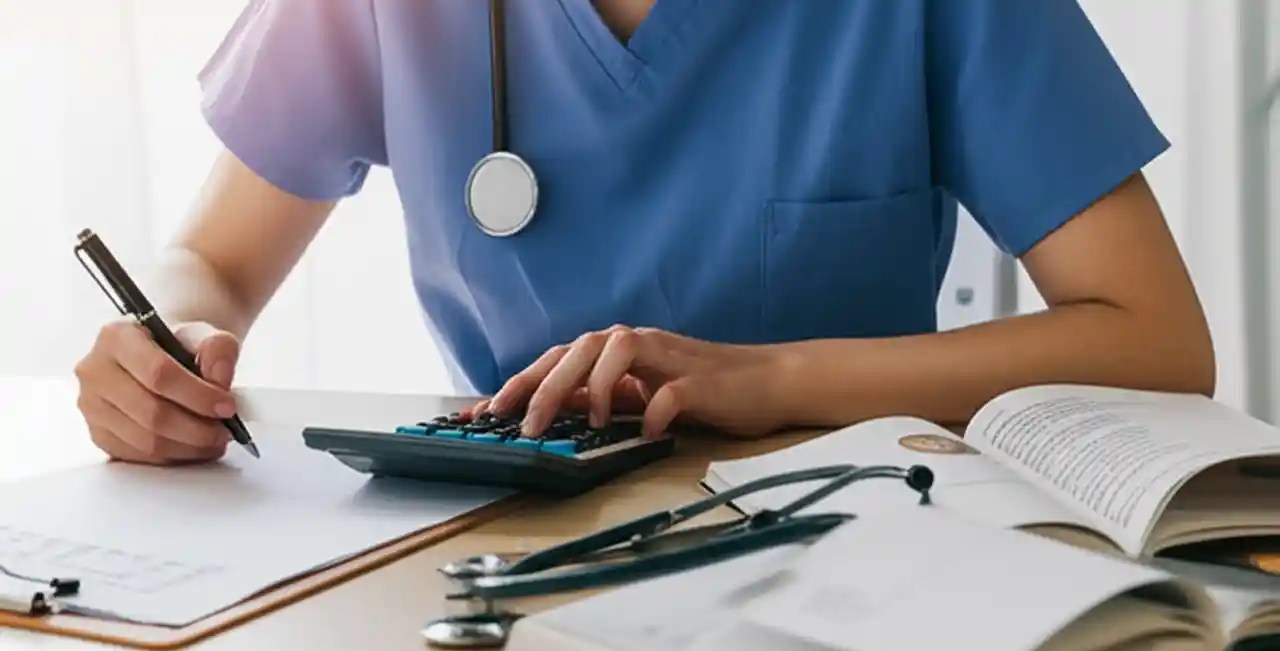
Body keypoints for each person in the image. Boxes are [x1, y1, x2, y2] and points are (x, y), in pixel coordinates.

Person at [74, 0, 1214, 465]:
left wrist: (766, 380)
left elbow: (1152, 339)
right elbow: (211, 264)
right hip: (494, 566)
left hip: (853, 553)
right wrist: (168, 344)